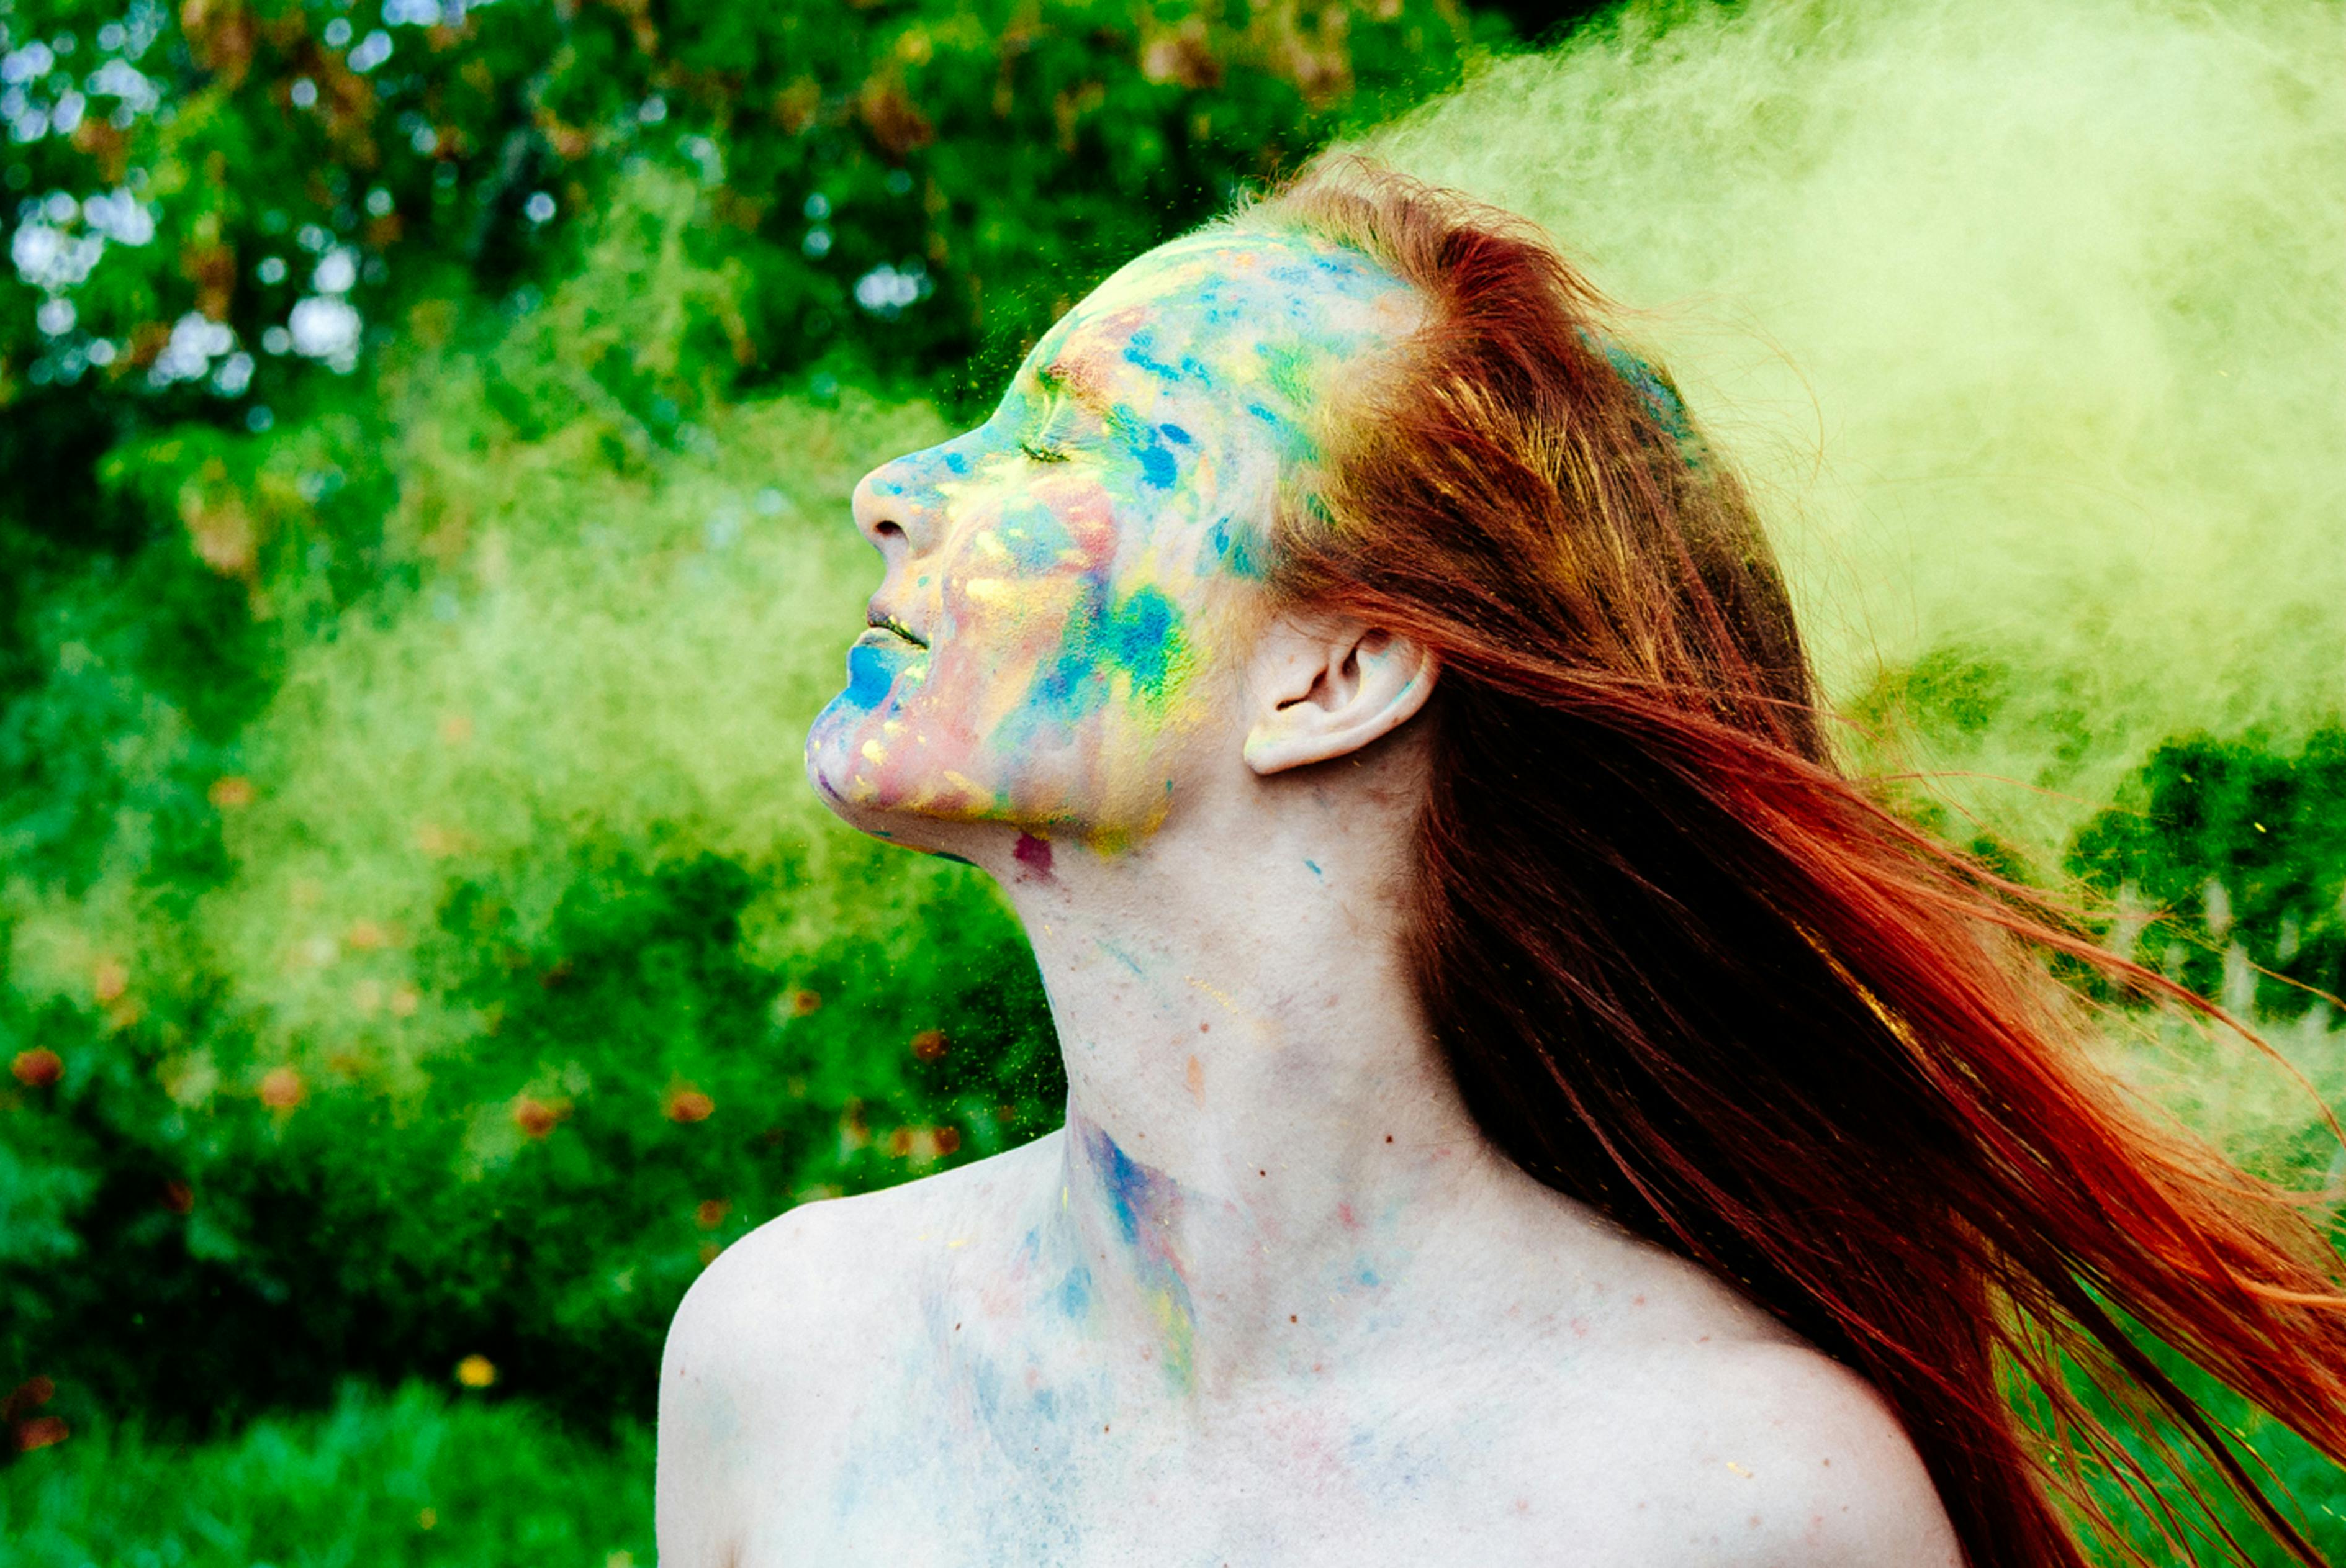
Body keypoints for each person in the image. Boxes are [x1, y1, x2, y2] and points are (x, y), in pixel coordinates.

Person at [652, 157, 2346, 1567]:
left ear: (1333, 673)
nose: (894, 490)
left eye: (1053, 445)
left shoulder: (1738, 1498)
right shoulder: (788, 1354)